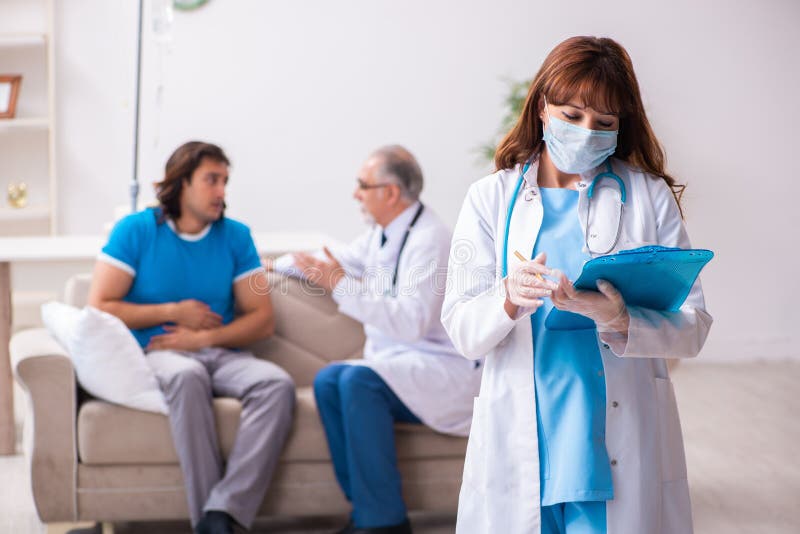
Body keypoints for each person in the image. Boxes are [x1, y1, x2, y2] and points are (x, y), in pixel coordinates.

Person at [441, 36, 713, 534]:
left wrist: (619, 318)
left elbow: (692, 327)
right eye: (572, 114)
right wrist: (507, 298)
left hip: (614, 430)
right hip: (526, 428)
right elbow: (461, 328)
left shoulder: (649, 197)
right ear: (542, 107)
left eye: (604, 123)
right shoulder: (491, 199)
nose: (588, 132)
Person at [269, 145, 482, 534]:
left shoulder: (430, 239)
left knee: (355, 380)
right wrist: (271, 265)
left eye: (362, 186)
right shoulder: (381, 236)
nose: (356, 194)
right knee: (329, 380)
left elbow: (411, 322)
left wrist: (338, 284)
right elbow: (330, 259)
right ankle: (368, 510)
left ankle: (384, 524)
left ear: (391, 192)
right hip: (404, 367)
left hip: (445, 369)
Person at [88, 141, 295, 534]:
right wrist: (172, 312)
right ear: (182, 183)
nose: (222, 192)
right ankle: (210, 522)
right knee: (187, 376)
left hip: (220, 351)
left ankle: (223, 512)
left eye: (225, 182)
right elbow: (100, 305)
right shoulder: (137, 231)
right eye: (211, 180)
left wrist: (201, 339)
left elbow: (262, 320)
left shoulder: (235, 237)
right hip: (159, 350)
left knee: (276, 384)